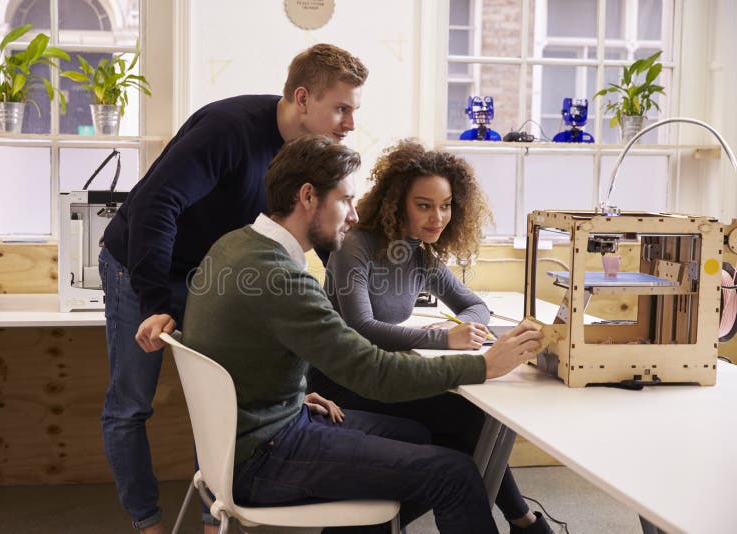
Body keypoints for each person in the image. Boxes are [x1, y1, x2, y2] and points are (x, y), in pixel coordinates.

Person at [183, 134, 543, 533]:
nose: (354, 214)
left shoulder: (232, 246)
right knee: (454, 473)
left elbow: (244, 344)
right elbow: (375, 373)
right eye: (345, 200)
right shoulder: (284, 279)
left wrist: (296, 392)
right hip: (265, 454)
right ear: (307, 197)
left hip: (252, 434)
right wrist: (482, 366)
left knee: (418, 434)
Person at [98, 44, 368, 533]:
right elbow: (157, 206)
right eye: (342, 108)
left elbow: (320, 228)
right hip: (140, 266)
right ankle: (147, 523)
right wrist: (157, 304)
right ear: (303, 99)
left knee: (223, 402)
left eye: (353, 111)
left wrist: (351, 294)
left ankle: (212, 518)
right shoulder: (229, 129)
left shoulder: (311, 153)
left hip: (210, 275)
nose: (349, 122)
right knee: (130, 404)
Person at [308, 139, 554, 533]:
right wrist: (443, 341)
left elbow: (475, 305)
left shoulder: (420, 255)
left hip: (384, 374)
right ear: (396, 201)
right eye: (424, 205)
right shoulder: (354, 246)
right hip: (343, 382)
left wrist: (459, 327)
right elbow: (360, 327)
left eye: (446, 205)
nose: (437, 217)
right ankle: (524, 522)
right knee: (468, 421)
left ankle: (518, 521)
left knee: (465, 429)